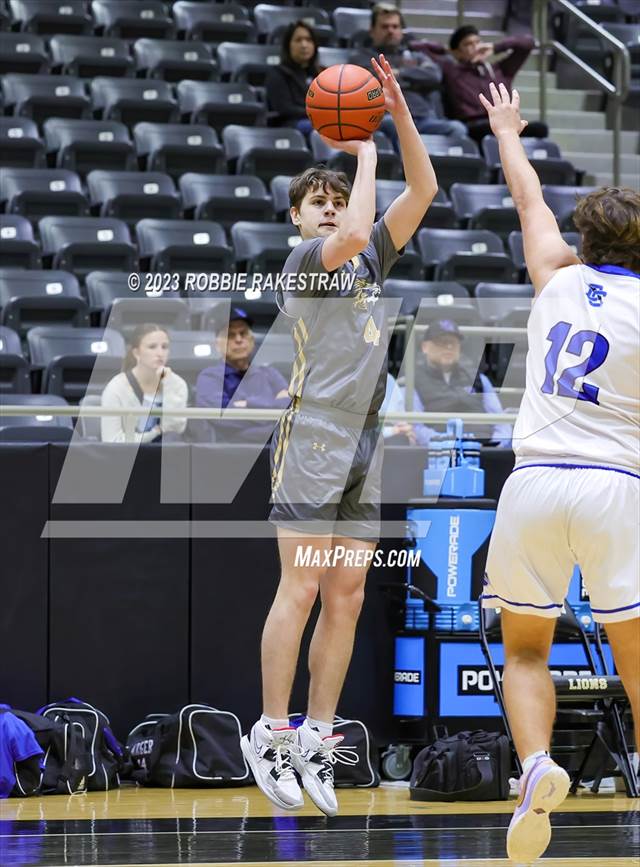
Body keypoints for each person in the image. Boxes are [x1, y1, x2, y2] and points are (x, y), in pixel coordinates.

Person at [240, 54, 437, 817]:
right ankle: (271, 728)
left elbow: (422, 193)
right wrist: (364, 148)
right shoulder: (307, 263)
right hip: (314, 437)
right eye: (313, 202)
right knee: (301, 585)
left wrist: (398, 112)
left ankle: (319, 737)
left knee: (347, 596)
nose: (328, 209)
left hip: (365, 438)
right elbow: (361, 223)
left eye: (333, 199)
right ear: (297, 219)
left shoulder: (369, 266)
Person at [478, 83, 639, 864]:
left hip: (534, 479)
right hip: (615, 484)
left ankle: (536, 764)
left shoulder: (557, 276)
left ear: (588, 240)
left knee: (526, 650)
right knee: (637, 656)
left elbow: (525, 191)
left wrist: (507, 128)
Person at [349, 4, 467, 148]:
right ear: (372, 31)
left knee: (457, 128)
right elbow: (371, 81)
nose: (391, 31)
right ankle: (405, 170)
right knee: (393, 124)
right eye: (385, 27)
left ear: (401, 31)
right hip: (387, 118)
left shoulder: (417, 56)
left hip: (424, 119)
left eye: (395, 26)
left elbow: (434, 75)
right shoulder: (361, 57)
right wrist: (415, 80)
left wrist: (399, 74)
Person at [413, 25, 548, 142]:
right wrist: (448, 50)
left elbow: (528, 43)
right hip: (474, 126)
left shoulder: (499, 70)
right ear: (457, 52)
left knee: (540, 129)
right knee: (493, 129)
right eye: (468, 44)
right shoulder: (452, 71)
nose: (475, 47)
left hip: (504, 122)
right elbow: (419, 47)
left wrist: (496, 47)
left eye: (477, 42)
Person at [195, 307, 290, 443]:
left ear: (251, 341)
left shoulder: (271, 373)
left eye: (243, 333)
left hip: (274, 454)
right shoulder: (208, 377)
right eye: (230, 335)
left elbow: (289, 408)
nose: (239, 339)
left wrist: (247, 404)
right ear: (217, 344)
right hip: (231, 453)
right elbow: (223, 418)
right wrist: (272, 415)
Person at [411, 319, 512, 446]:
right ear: (425, 347)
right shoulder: (412, 381)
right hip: (440, 453)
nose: (448, 347)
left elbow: (501, 421)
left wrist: (496, 444)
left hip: (485, 448)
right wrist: (452, 444)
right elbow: (415, 427)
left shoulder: (479, 378)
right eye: (442, 342)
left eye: (453, 343)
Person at [101, 323, 188, 443]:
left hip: (167, 456)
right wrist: (154, 433)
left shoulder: (177, 384)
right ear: (136, 353)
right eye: (152, 347)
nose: (160, 353)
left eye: (164, 347)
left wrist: (169, 385)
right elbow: (112, 441)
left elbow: (175, 429)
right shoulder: (116, 388)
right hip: (127, 457)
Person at [265, 21, 321, 134]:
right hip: (290, 125)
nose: (304, 45)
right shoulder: (277, 74)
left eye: (308, 40)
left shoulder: (319, 75)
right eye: (298, 40)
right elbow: (285, 109)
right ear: (288, 45)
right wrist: (318, 113)